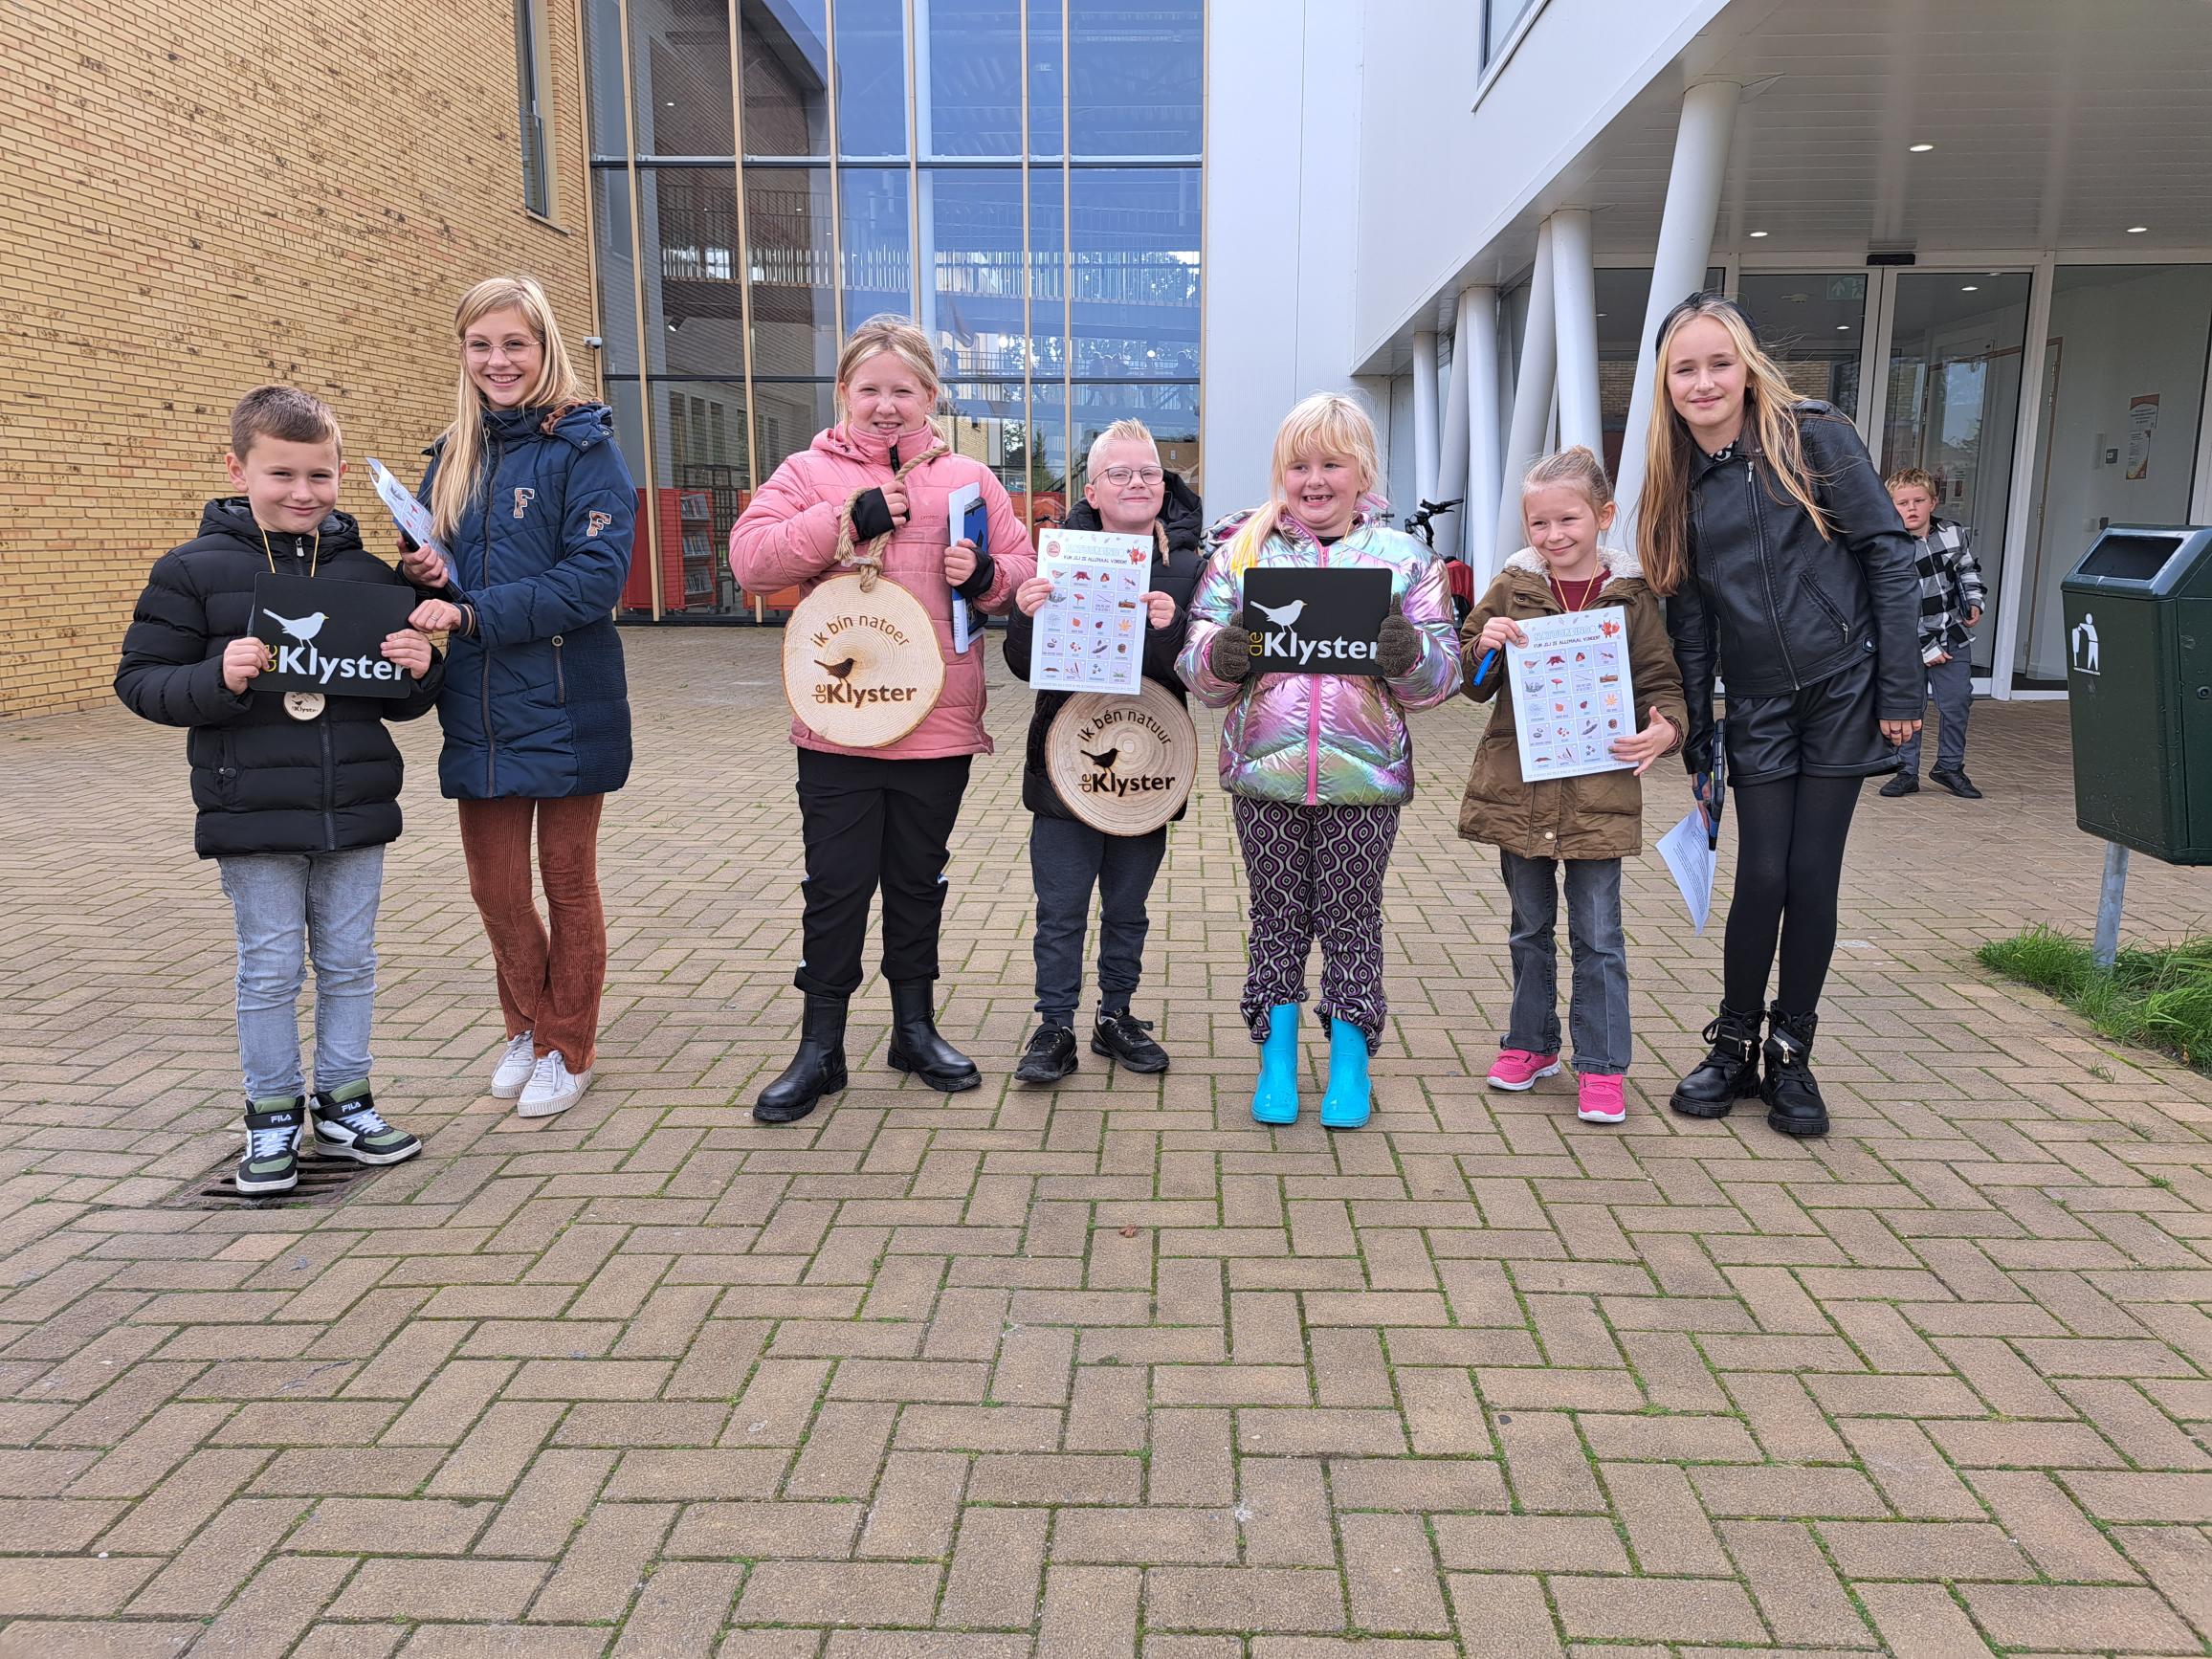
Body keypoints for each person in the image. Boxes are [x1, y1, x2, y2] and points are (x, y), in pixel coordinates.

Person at [116, 387, 440, 1193]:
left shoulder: (366, 573)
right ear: (238, 470)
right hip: (250, 809)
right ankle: (270, 1114)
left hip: (354, 806)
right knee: (268, 969)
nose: (303, 492)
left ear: (340, 476)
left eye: (319, 475)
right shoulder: (191, 572)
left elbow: (399, 700)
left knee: (350, 962)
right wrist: (215, 677)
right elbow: (141, 681)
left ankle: (346, 1101)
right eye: (281, 474)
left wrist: (420, 668)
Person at [731, 314, 1037, 1123]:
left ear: (931, 395)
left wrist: (986, 574)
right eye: (870, 389)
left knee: (916, 881)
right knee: (835, 886)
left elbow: (1023, 568)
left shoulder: (970, 479)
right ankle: (820, 1047)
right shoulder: (806, 471)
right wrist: (844, 521)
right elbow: (750, 561)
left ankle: (914, 1030)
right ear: (844, 392)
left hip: (938, 721)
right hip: (840, 721)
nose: (886, 405)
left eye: (904, 390)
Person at [1635, 292, 1919, 1138]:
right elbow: (1690, 621)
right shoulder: (1675, 481)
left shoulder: (1814, 436)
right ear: (1666, 382)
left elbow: (1887, 556)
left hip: (1842, 688)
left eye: (1719, 363)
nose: (1704, 382)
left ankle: (1791, 1054)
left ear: (1749, 367)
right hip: (1757, 703)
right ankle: (1733, 1045)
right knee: (1760, 877)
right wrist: (1693, 729)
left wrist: (1900, 690)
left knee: (1810, 875)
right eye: (1685, 369)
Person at [1177, 392, 1460, 1130]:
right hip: (1265, 776)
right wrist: (1219, 655)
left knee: (1351, 919)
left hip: (1363, 780)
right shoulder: (1243, 552)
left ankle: (1350, 1061)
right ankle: (1275, 1060)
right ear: (1281, 472)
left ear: (1363, 471)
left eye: (1332, 464)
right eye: (1298, 465)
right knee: (1275, 918)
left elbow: (1440, 681)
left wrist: (1410, 654)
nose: (1314, 480)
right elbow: (1199, 666)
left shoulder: (1405, 560)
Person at [401, 275, 636, 1120]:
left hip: (570, 699)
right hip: (481, 703)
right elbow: (442, 569)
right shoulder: (452, 454)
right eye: (481, 345)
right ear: (463, 353)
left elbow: (594, 580)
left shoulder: (586, 450)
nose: (497, 361)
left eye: (514, 344)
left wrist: (469, 612)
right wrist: (423, 571)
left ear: (544, 348)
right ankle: (530, 1025)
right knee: (496, 892)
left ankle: (567, 1047)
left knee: (567, 884)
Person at [1458, 448, 1687, 1125]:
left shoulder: (1632, 597)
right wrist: (1485, 644)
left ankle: (1603, 1064)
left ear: (1603, 516)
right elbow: (1473, 685)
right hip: (1520, 791)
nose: (1554, 535)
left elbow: (1661, 680)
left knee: (1599, 935)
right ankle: (1530, 1045)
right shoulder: (1512, 588)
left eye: (1568, 520)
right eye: (1539, 523)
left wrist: (1666, 729)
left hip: (1598, 794)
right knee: (1528, 929)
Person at [1003, 419, 1204, 1082]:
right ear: (1092, 489)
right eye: (1119, 473)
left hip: (1148, 767)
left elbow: (1204, 676)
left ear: (1164, 484)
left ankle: (1115, 1016)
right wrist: (1025, 614)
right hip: (1064, 764)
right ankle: (1054, 1026)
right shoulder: (1059, 556)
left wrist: (1172, 632)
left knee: (1127, 907)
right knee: (1060, 909)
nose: (1136, 482)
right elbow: (1024, 665)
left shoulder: (1191, 568)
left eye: (1148, 471)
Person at [1879, 467, 1985, 800]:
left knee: (1957, 702)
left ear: (1933, 502)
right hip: (1909, 641)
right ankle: (1905, 770)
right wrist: (1925, 646)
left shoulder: (1953, 533)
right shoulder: (1889, 546)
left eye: (1919, 501)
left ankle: (1949, 767)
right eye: (1902, 503)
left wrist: (1974, 600)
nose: (1911, 508)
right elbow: (1893, 604)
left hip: (1952, 634)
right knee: (1910, 706)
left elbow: (1967, 569)